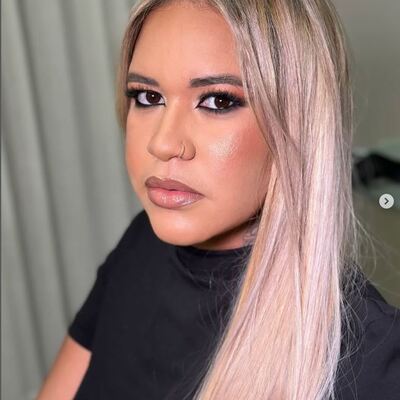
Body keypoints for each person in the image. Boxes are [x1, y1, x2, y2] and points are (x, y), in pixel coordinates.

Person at [36, 0, 400, 399]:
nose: (162, 143)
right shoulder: (141, 244)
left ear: (299, 123)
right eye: (148, 97)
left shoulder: (373, 357)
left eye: (218, 101)